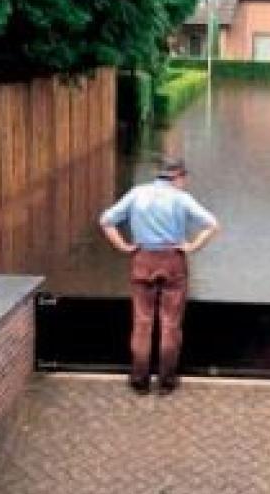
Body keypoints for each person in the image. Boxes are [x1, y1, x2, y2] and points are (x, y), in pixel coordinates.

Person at [99, 157, 219, 395]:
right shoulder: (180, 198)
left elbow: (106, 221)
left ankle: (140, 379)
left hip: (143, 258)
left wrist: (123, 246)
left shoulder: (136, 194)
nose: (185, 183)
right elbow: (213, 224)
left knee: (142, 322)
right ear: (177, 177)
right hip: (172, 259)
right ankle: (166, 380)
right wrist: (192, 247)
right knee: (170, 323)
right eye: (184, 179)